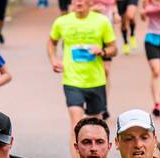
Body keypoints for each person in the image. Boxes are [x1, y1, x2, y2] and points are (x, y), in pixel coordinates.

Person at [48, 0, 118, 134]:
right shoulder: (62, 22)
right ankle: (76, 155)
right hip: (72, 80)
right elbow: (51, 42)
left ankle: (92, 154)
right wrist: (53, 60)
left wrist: (102, 51)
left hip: (96, 80)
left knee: (96, 127)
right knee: (76, 125)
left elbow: (113, 48)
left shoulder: (102, 21)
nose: (79, 1)